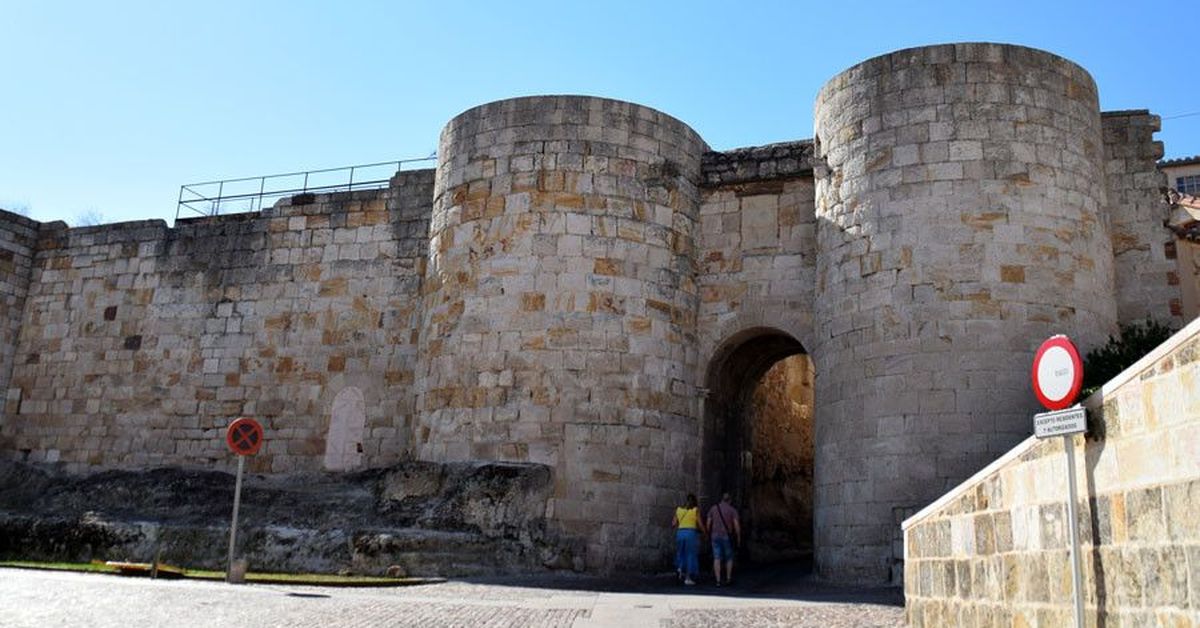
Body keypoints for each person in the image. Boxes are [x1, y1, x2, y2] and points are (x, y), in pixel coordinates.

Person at [706, 492, 741, 586]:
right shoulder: (732, 510)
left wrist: (708, 534)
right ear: (730, 500)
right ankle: (728, 578)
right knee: (729, 558)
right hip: (726, 536)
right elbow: (736, 525)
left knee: (717, 558)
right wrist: (738, 537)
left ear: (722, 499)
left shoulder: (713, 508)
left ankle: (718, 580)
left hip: (715, 536)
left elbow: (708, 523)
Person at [671, 493, 706, 585]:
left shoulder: (678, 510)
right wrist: (704, 532)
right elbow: (700, 523)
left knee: (680, 553)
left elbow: (673, 523)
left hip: (680, 533)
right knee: (690, 555)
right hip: (691, 533)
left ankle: (679, 568)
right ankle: (688, 578)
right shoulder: (695, 510)